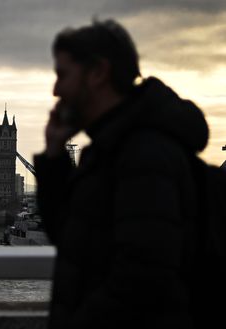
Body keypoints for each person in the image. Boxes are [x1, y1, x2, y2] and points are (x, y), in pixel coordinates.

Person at [35, 19, 209, 328]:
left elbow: (143, 279)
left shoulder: (145, 153)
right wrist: (53, 156)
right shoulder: (107, 150)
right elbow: (69, 237)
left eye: (63, 75)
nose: (56, 89)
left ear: (98, 73)